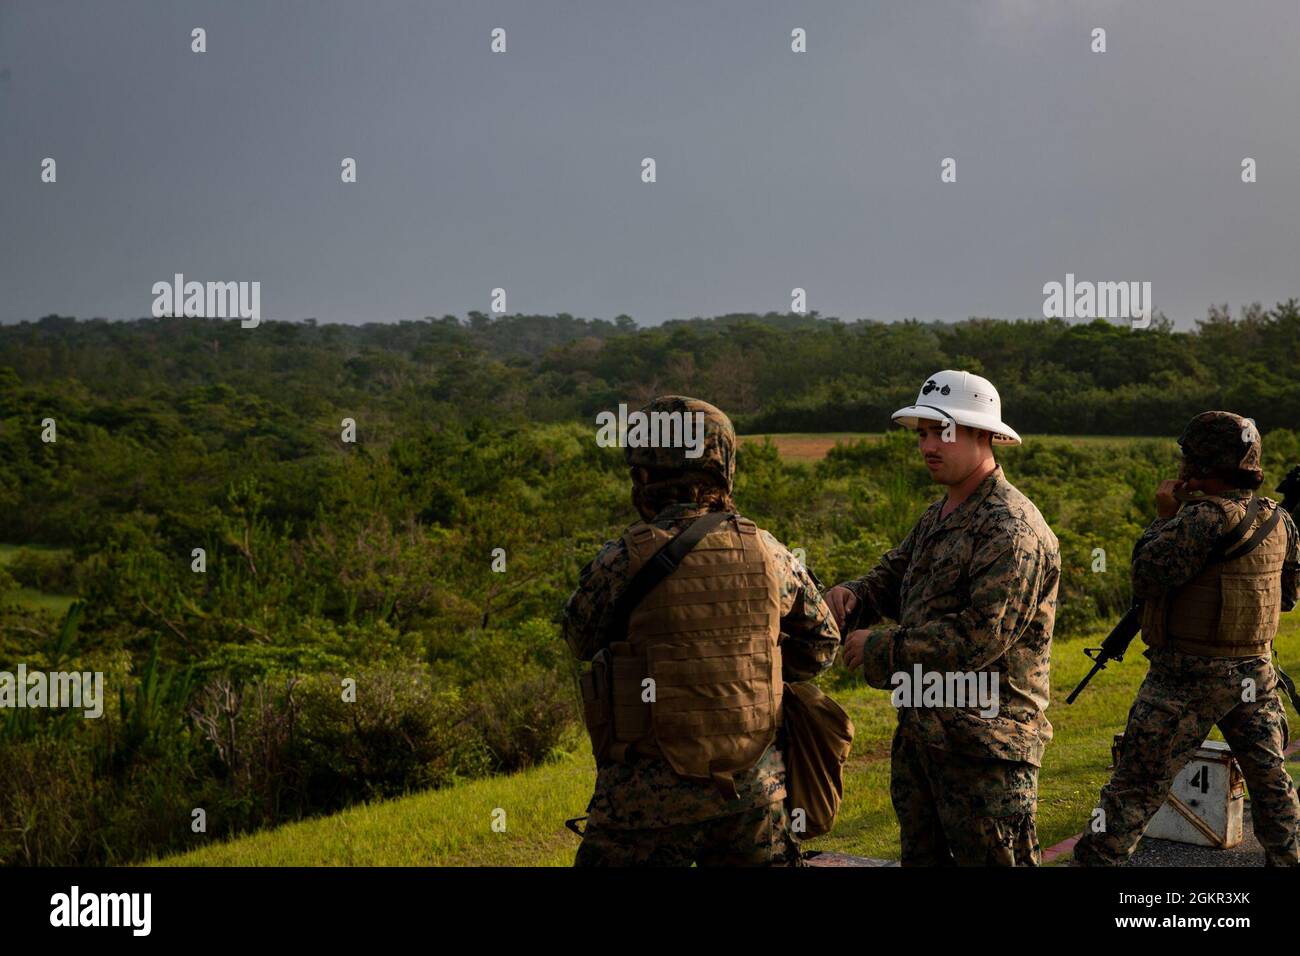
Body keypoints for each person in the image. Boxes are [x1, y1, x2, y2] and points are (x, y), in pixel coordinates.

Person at [562, 395, 841, 866]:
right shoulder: (769, 552)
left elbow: (580, 639)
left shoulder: (620, 560)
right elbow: (822, 645)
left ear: (643, 475)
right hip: (753, 794)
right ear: (722, 469)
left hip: (642, 802)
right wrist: (753, 664)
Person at [826, 369, 1059, 865]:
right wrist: (851, 594)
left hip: (986, 749)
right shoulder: (941, 514)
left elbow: (981, 636)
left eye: (943, 432)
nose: (929, 445)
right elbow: (893, 576)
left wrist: (879, 647)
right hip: (925, 737)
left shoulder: (1011, 528)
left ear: (983, 435)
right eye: (923, 433)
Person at [1073, 411, 1300, 866]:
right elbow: (1288, 598)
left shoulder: (1199, 519)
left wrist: (1162, 517)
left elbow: (1147, 576)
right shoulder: (1280, 522)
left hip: (1185, 679)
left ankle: (1096, 860)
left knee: (1133, 791)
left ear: (1199, 464)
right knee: (1272, 784)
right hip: (1255, 674)